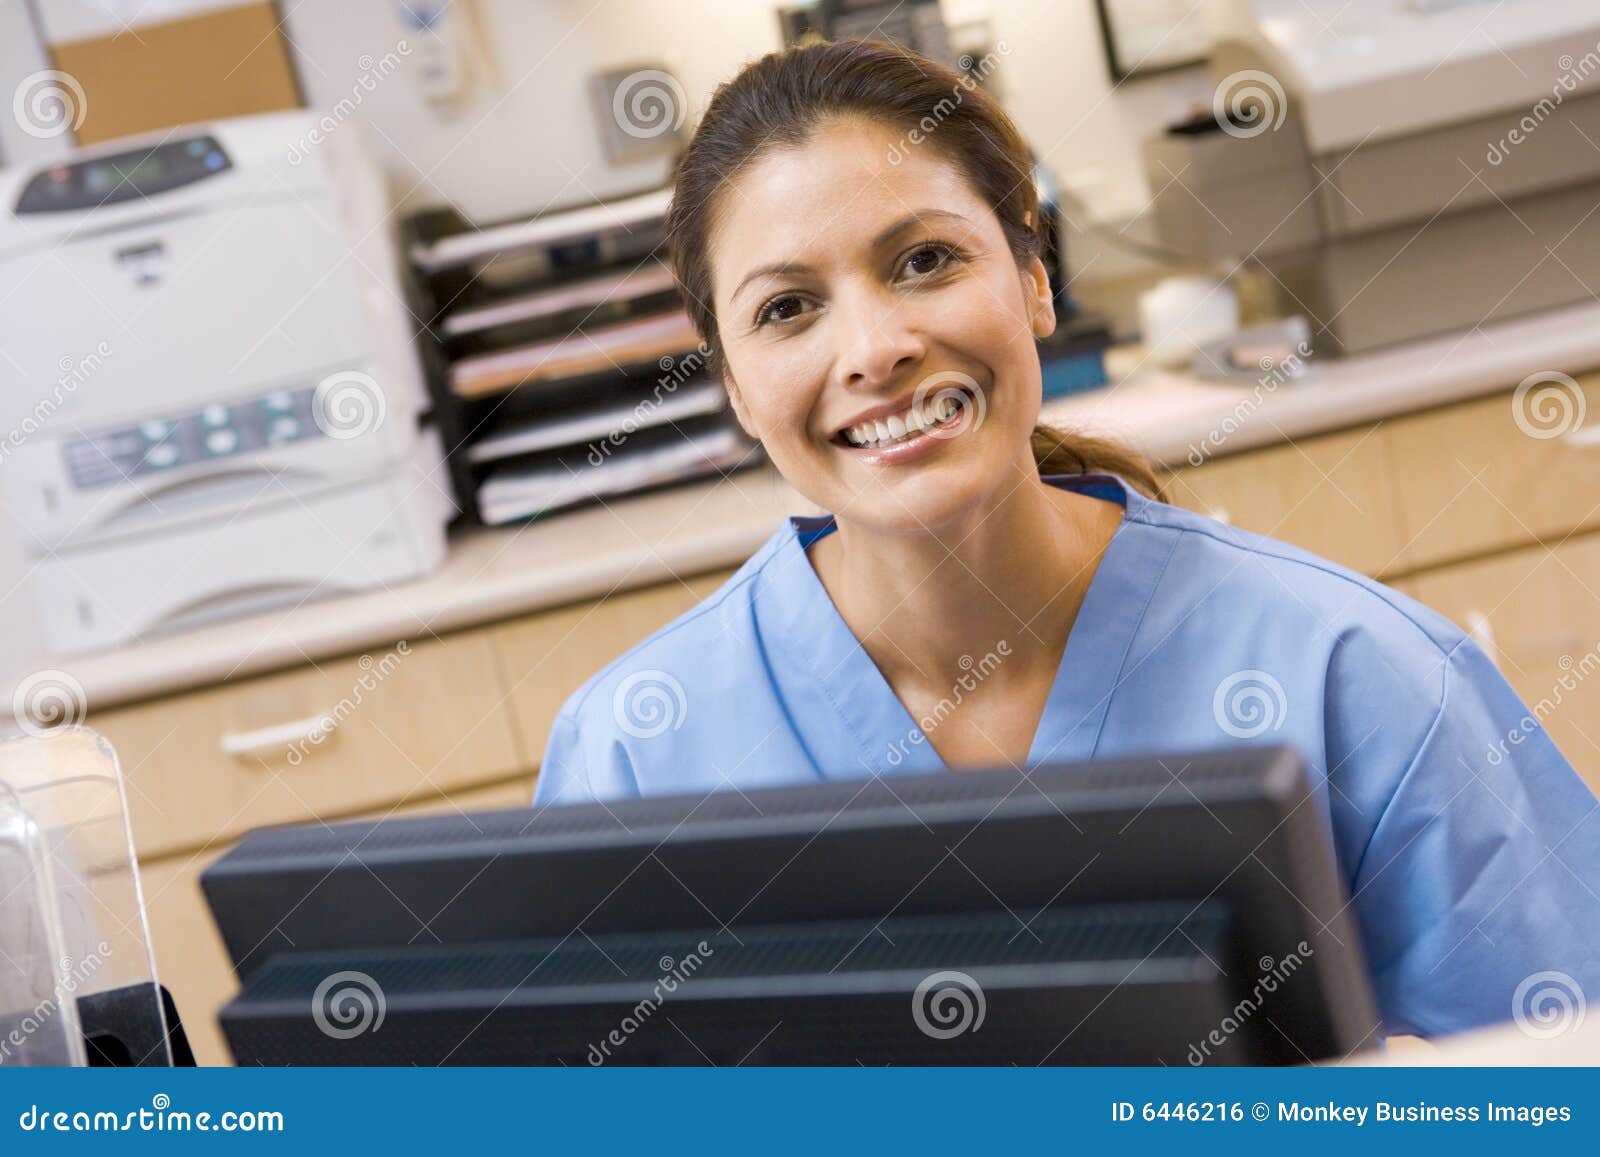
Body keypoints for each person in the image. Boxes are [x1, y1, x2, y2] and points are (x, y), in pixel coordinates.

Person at [536, 39, 1600, 1041]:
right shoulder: (633, 757)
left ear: (1033, 280)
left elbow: (1560, 1090)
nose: (874, 348)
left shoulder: (1359, 678)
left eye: (922, 260)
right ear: (730, 381)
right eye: (786, 309)